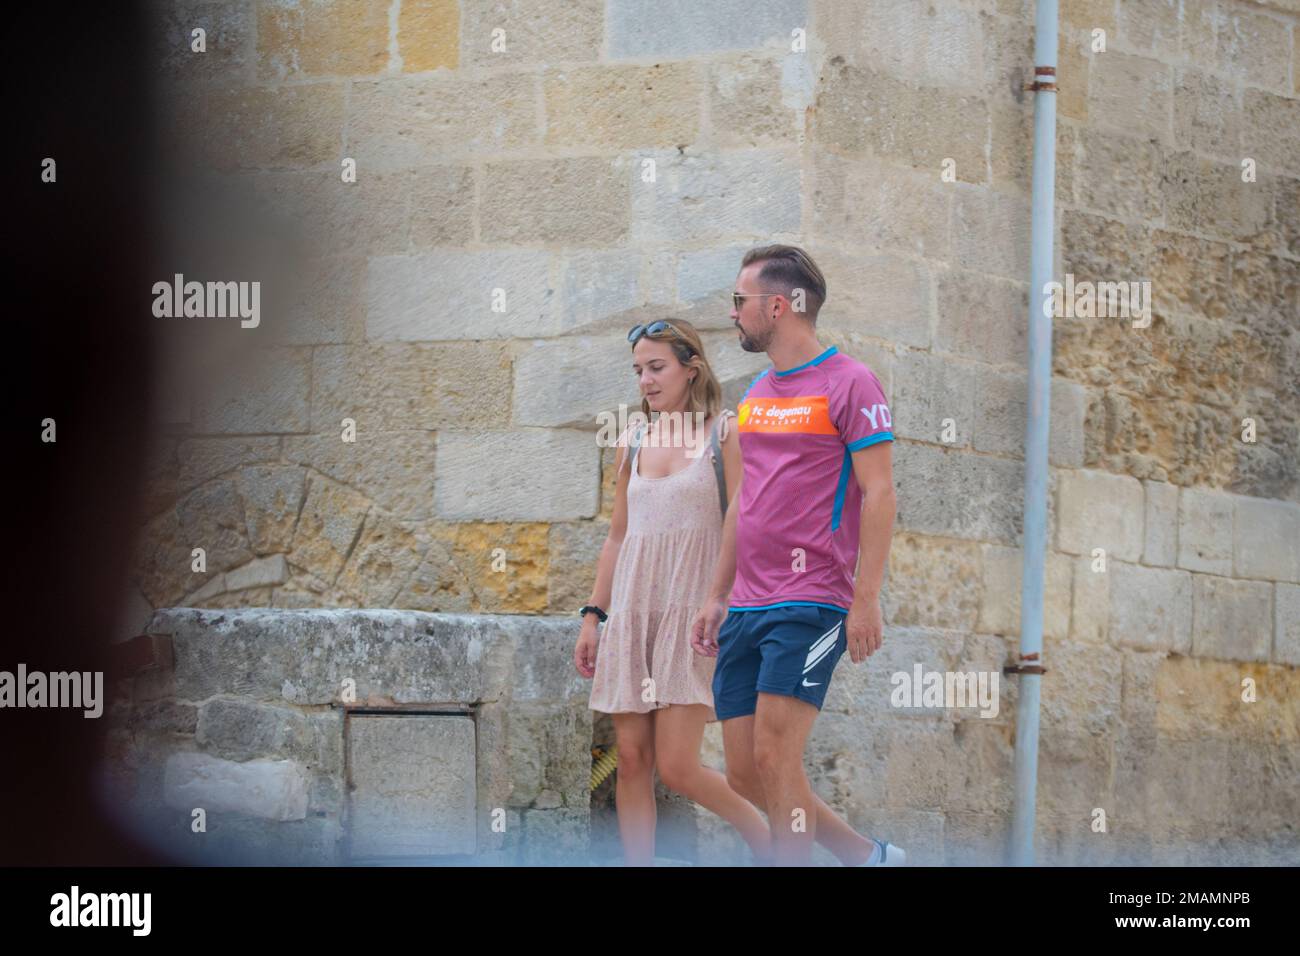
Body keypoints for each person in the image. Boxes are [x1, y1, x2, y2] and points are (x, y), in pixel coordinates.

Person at [690, 244, 907, 867]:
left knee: (774, 757)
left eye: (740, 301)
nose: (733, 314)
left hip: (812, 602)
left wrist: (864, 599)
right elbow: (744, 504)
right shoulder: (756, 394)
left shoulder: (852, 382)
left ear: (778, 306)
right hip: (747, 607)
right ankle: (868, 858)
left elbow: (880, 492)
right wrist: (715, 594)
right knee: (743, 773)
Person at [574, 318, 771, 866]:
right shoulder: (632, 439)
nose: (646, 381)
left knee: (679, 766)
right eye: (638, 370)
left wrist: (721, 595)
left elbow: (741, 519)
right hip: (633, 612)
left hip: (692, 613)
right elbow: (618, 535)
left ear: (692, 367)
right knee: (632, 760)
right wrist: (594, 615)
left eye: (657, 367)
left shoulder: (723, 432)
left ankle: (768, 844)